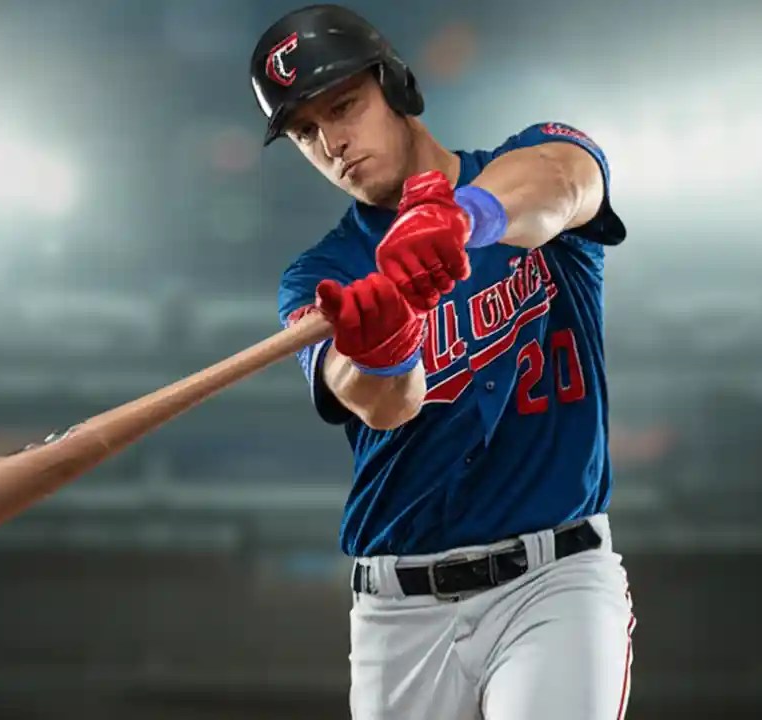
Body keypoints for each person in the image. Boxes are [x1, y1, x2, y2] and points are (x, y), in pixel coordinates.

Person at [252, 5, 635, 719]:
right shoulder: (318, 277)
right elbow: (378, 401)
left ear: (393, 85)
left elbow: (566, 180)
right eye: (305, 130)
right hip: (400, 613)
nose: (332, 142)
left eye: (344, 105)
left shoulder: (525, 163)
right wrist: (385, 348)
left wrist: (466, 217)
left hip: (551, 583)